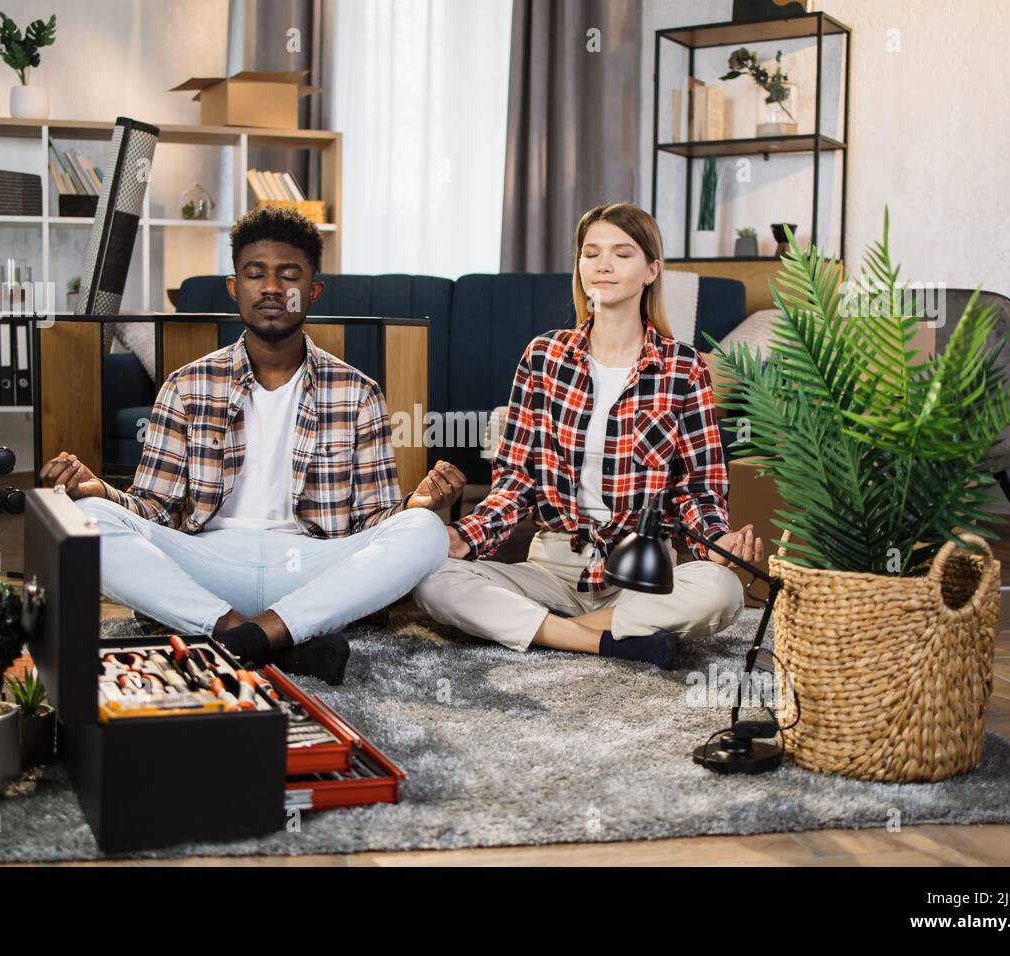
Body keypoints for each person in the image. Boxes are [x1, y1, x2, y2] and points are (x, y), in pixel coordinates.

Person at [40, 206, 464, 684]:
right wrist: (99, 492)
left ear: (313, 291)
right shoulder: (186, 385)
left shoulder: (359, 391)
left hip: (311, 567)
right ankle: (258, 638)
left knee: (425, 531)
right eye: (255, 274)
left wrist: (417, 504)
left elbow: (372, 525)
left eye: (289, 275)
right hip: (209, 565)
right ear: (234, 287)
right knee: (84, 523)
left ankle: (248, 637)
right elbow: (155, 508)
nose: (270, 288)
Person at [413, 202, 760, 670]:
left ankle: (545, 630)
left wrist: (720, 544)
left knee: (721, 591)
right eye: (591, 253)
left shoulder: (684, 367)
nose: (603, 264)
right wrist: (463, 538)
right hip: (551, 567)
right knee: (433, 580)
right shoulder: (544, 356)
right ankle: (606, 639)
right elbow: (516, 480)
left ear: (652, 269)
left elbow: (698, 488)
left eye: (622, 253)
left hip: (645, 574)